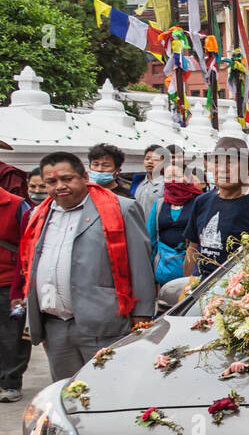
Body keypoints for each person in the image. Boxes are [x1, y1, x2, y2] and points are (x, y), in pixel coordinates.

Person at [15, 152, 156, 381]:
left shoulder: (121, 209)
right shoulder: (38, 215)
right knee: (67, 398)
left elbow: (140, 265)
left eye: (67, 179)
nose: (60, 186)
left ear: (84, 177)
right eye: (52, 182)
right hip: (55, 327)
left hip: (104, 325)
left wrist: (141, 318)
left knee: (109, 391)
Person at [185, 139, 249, 279]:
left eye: (231, 162)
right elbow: (193, 248)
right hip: (201, 288)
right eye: (217, 162)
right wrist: (188, 290)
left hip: (239, 291)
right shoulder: (202, 202)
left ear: (248, 167)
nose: (223, 169)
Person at [146, 152, 204, 286]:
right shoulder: (159, 204)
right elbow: (151, 237)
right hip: (164, 266)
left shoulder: (199, 201)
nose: (173, 181)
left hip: (191, 267)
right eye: (168, 177)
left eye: (177, 176)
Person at [0, 180, 31, 401]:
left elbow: (29, 243)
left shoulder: (17, 204)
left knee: (12, 334)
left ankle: (11, 382)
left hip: (9, 281)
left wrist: (22, 286)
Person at [133, 145, 168, 215]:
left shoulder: (166, 185)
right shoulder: (137, 183)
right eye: (147, 158)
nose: (150, 162)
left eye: (155, 159)